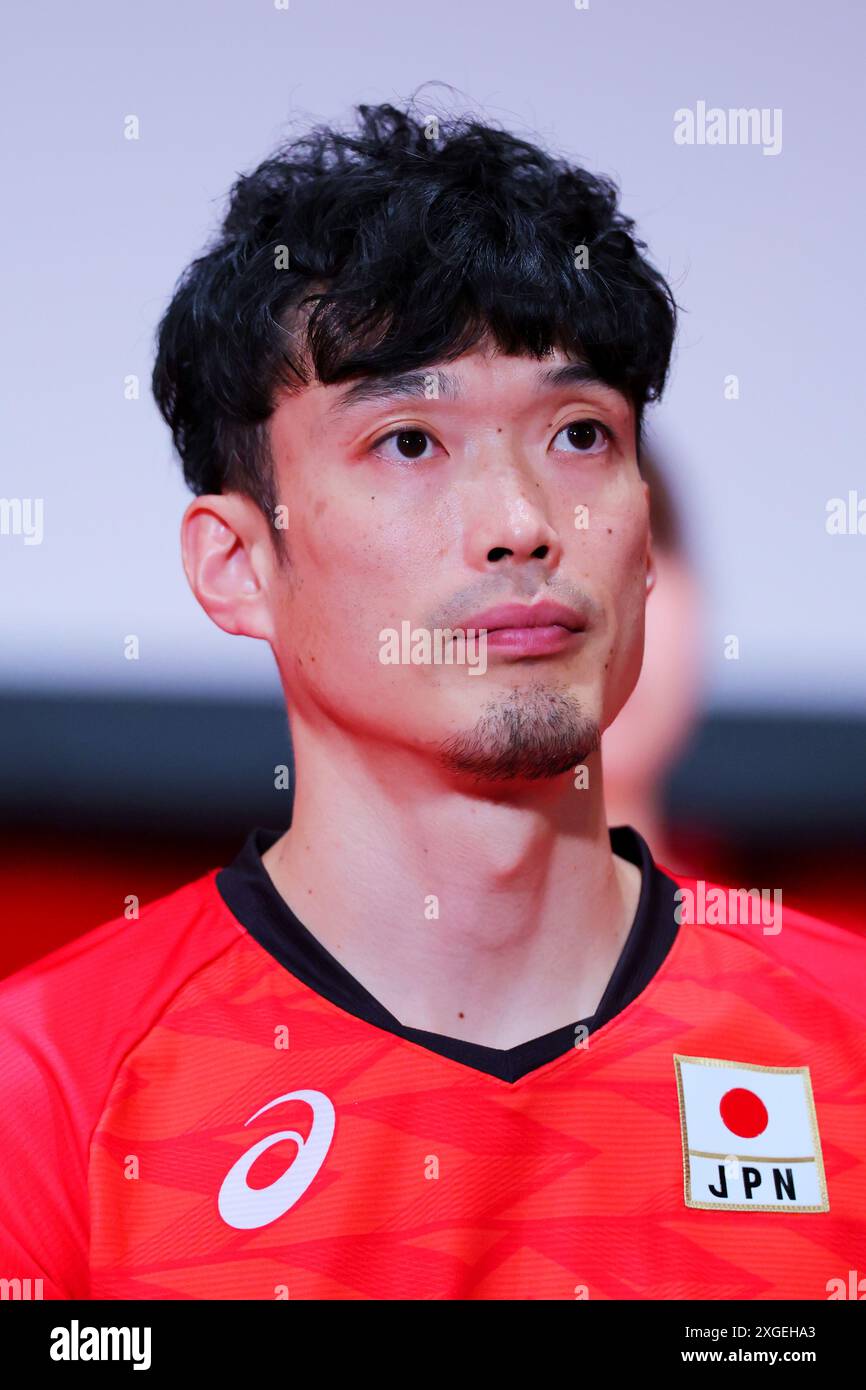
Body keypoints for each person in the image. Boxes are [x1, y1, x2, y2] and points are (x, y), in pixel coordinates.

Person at [1, 98, 863, 1302]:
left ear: (646, 543)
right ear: (236, 567)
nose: (521, 524)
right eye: (409, 442)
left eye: (577, 434)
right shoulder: (46, 1093)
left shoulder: (846, 1051)